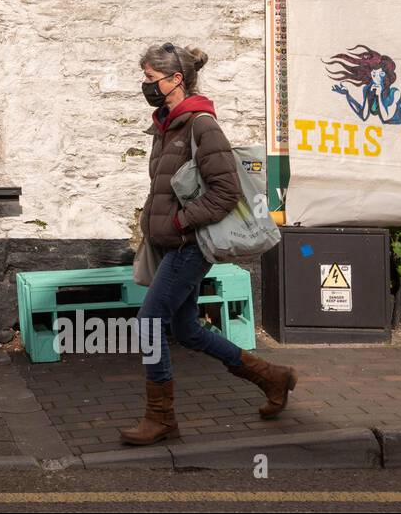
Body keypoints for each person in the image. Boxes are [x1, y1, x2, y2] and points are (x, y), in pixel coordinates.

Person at [120, 42, 299, 446]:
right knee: (186, 329)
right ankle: (273, 376)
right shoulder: (167, 126)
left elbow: (225, 191)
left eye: (150, 78)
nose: (145, 85)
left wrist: (181, 223)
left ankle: (160, 417)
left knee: (149, 322)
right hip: (168, 244)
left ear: (175, 79)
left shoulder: (202, 125)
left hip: (189, 246)